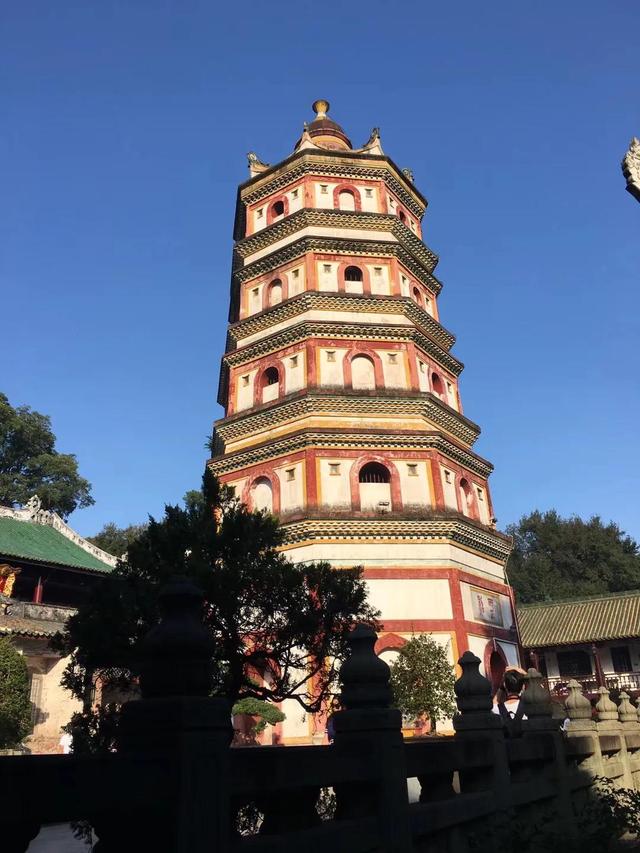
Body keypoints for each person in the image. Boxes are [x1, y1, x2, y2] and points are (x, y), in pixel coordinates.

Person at [492, 668, 527, 733]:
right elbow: (542, 695)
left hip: (506, 742)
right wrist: (523, 672)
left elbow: (494, 702)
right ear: (522, 686)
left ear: (505, 685)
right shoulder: (528, 707)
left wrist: (502, 686)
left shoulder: (497, 709)